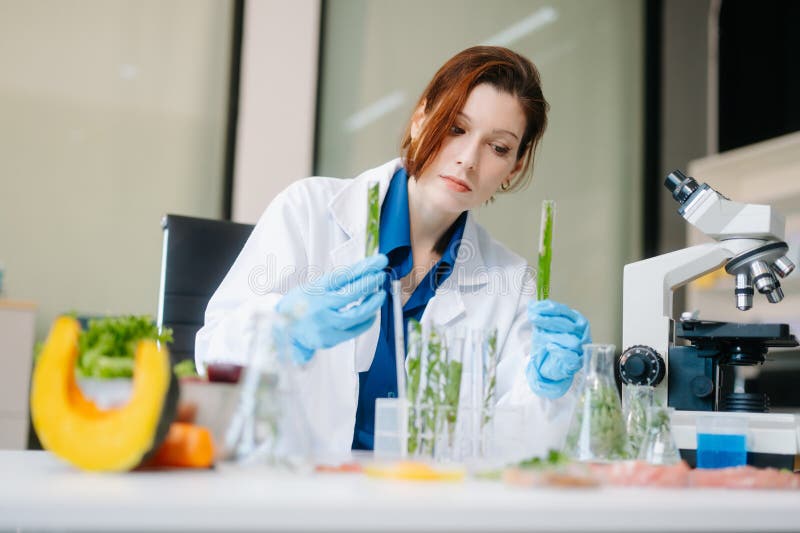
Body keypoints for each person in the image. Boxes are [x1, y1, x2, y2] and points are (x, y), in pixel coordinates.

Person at [195, 46, 591, 457]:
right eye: (456, 128)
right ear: (420, 120)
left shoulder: (511, 281)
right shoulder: (307, 211)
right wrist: (282, 329)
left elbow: (519, 448)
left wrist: (549, 390)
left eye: (499, 147)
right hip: (297, 484)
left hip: (421, 493)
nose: (469, 159)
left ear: (515, 167)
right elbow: (212, 354)